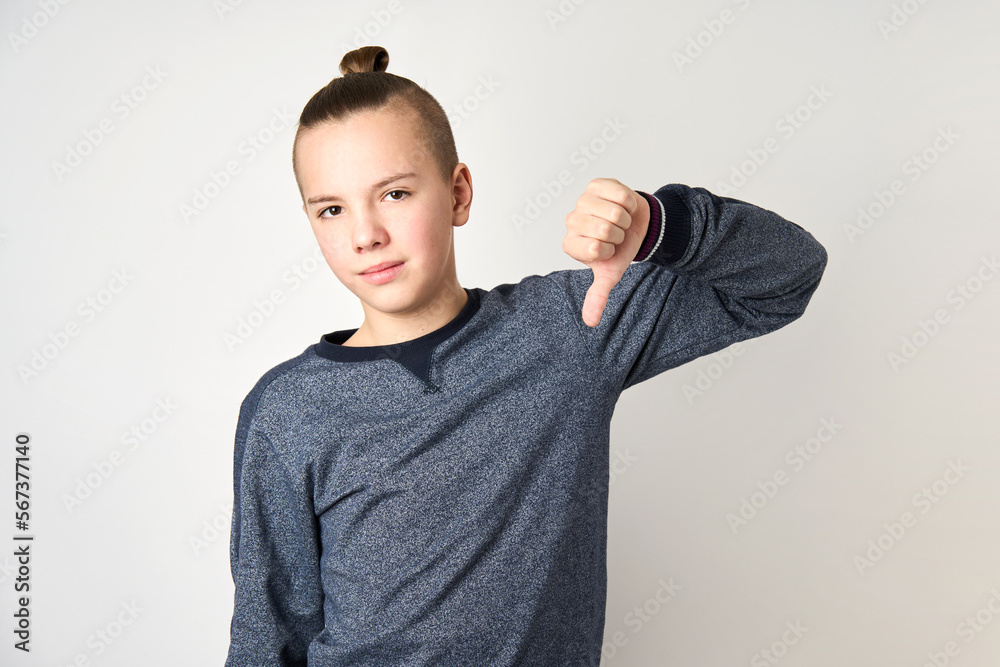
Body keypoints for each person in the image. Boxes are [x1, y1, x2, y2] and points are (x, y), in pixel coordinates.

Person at [224, 45, 828, 666]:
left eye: (396, 194)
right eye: (332, 209)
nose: (365, 233)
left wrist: (655, 224)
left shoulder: (572, 327)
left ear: (458, 194)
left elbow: (785, 279)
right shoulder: (287, 410)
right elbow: (268, 634)